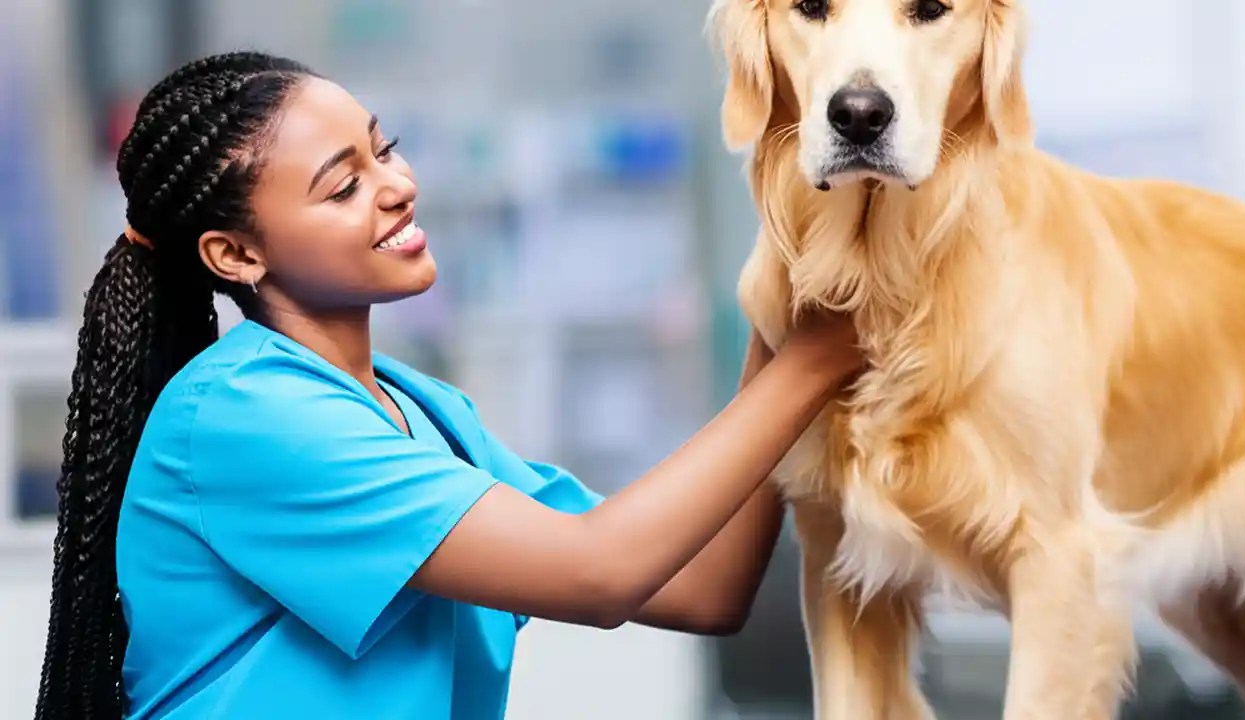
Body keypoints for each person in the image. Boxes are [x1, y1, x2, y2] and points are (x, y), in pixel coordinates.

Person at [34, 52, 862, 720]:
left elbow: (698, 585)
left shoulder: (423, 412)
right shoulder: (245, 415)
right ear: (237, 257)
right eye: (343, 184)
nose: (398, 185)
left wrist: (777, 305)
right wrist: (819, 359)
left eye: (382, 149)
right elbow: (602, 572)